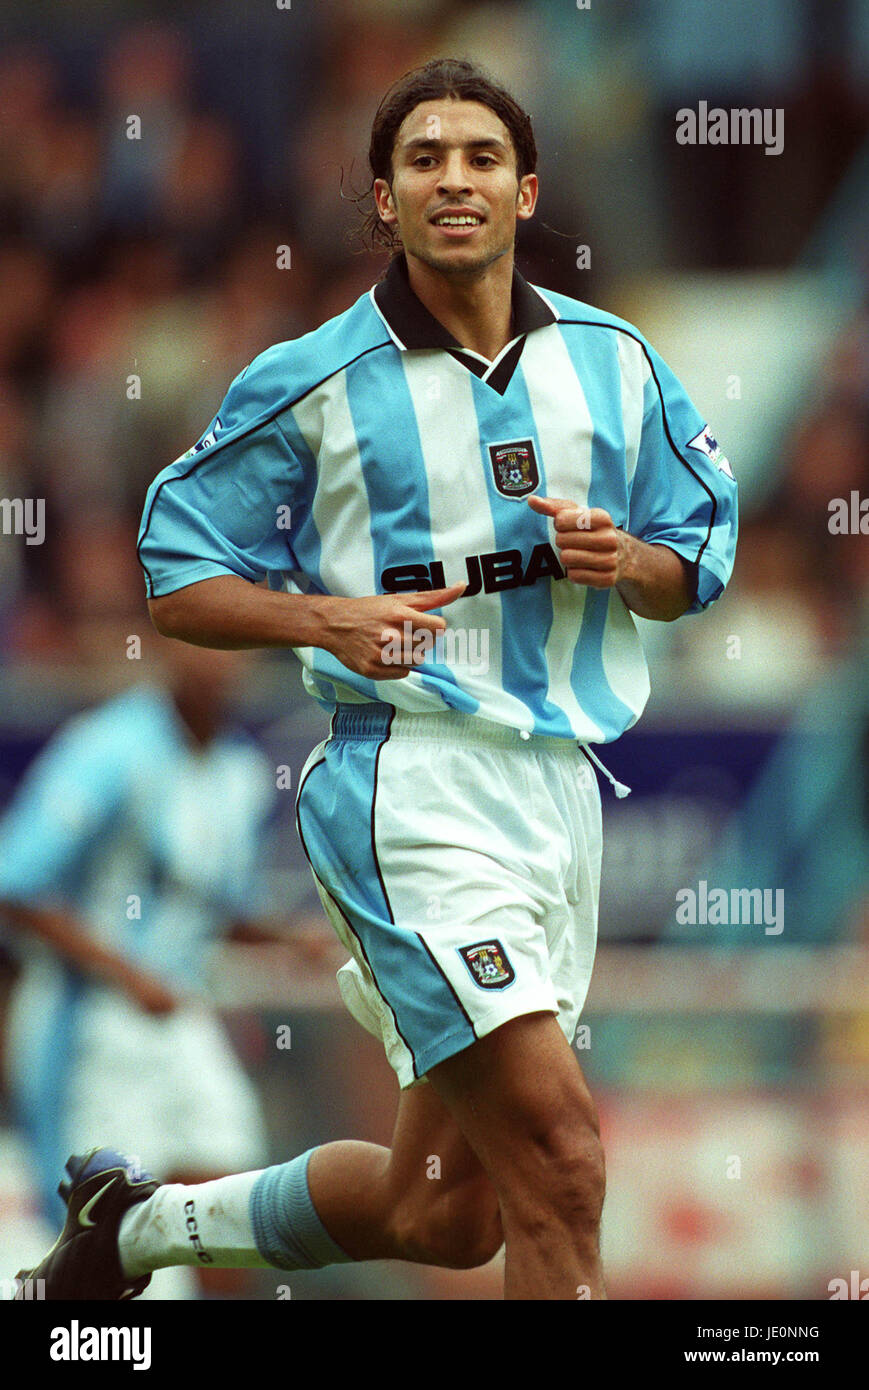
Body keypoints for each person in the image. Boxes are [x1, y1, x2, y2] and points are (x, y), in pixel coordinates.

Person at [16, 57, 737, 1302]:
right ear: (380, 202)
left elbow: (698, 556)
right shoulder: (309, 380)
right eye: (421, 159)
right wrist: (324, 620)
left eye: (478, 158)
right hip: (410, 786)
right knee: (562, 1159)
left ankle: (135, 1227)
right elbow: (175, 575)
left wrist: (629, 564)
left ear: (524, 193)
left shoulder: (617, 363)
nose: (451, 178)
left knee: (449, 1210)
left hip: (562, 793)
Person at [2, 640, 328, 1298]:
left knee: (232, 1183)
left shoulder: (236, 769)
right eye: (201, 643)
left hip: (181, 1014)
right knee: (98, 1217)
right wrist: (126, 974)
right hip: (91, 1022)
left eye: (231, 648)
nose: (220, 661)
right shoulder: (111, 746)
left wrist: (290, 939)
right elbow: (17, 884)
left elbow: (210, 904)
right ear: (165, 648)